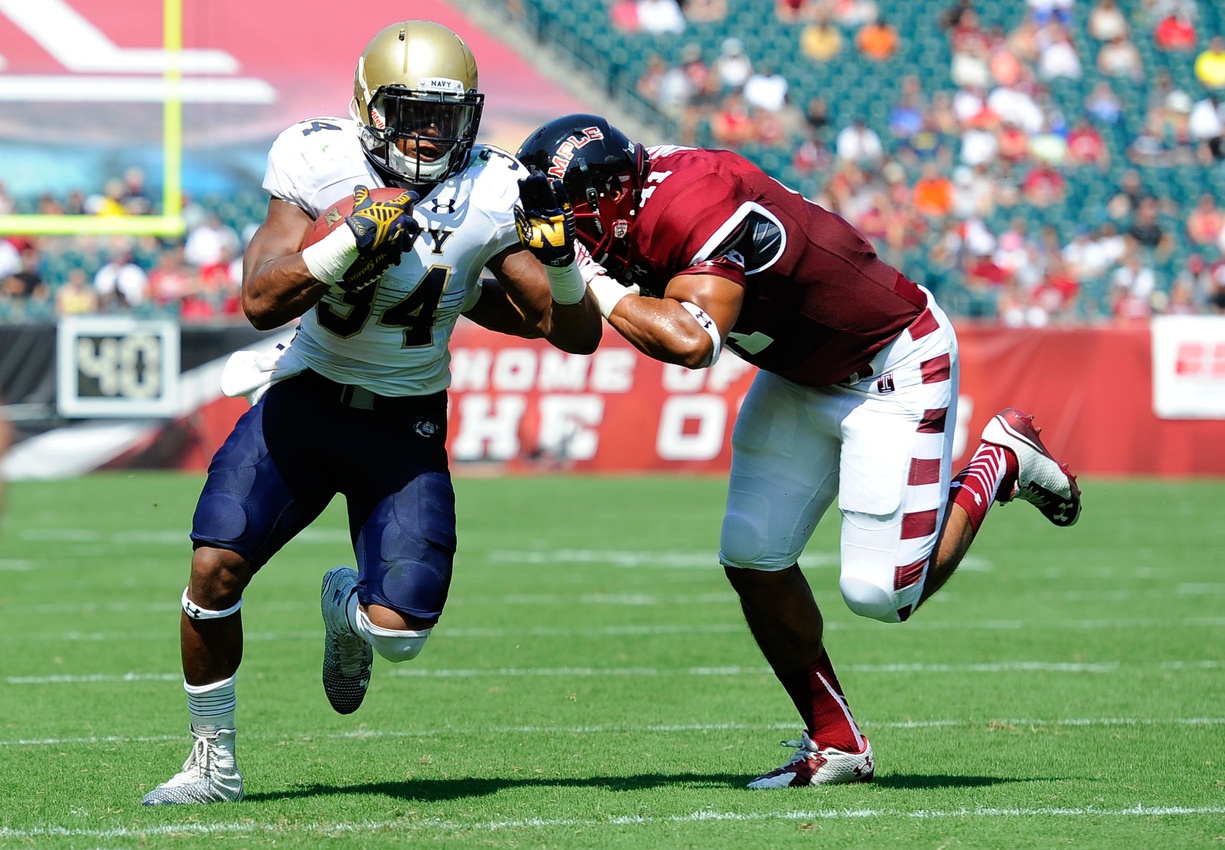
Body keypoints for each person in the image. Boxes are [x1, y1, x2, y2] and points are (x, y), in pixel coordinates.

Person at [515, 114, 1082, 788]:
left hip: (888, 362)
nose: (563, 227)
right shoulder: (621, 200)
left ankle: (1000, 457)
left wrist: (587, 275)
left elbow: (693, 342)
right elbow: (562, 311)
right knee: (752, 554)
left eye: (570, 212)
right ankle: (837, 743)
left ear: (609, 194)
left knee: (882, 594)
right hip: (798, 370)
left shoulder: (690, 202)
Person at [141, 21, 601, 806]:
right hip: (306, 400)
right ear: (366, 106)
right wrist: (346, 242)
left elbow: (574, 333)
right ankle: (210, 762)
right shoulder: (320, 158)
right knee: (213, 570)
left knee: (400, 632)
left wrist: (557, 265)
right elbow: (258, 298)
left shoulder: (492, 188)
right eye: (409, 112)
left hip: (404, 423)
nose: (427, 133)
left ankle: (344, 608)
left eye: (444, 116)